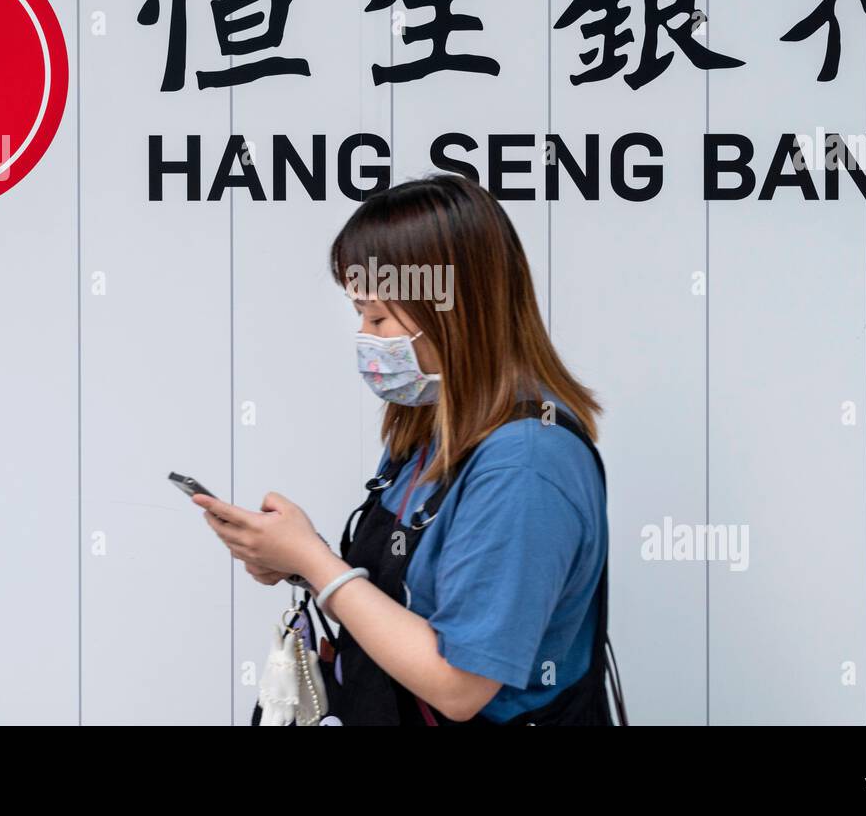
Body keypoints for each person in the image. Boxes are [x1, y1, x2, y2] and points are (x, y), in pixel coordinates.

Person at [191, 171, 617, 725]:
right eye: (358, 315)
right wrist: (291, 556)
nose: (365, 337)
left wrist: (316, 566)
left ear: (454, 309)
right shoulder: (432, 430)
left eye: (378, 317)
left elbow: (459, 686)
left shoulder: (527, 465)